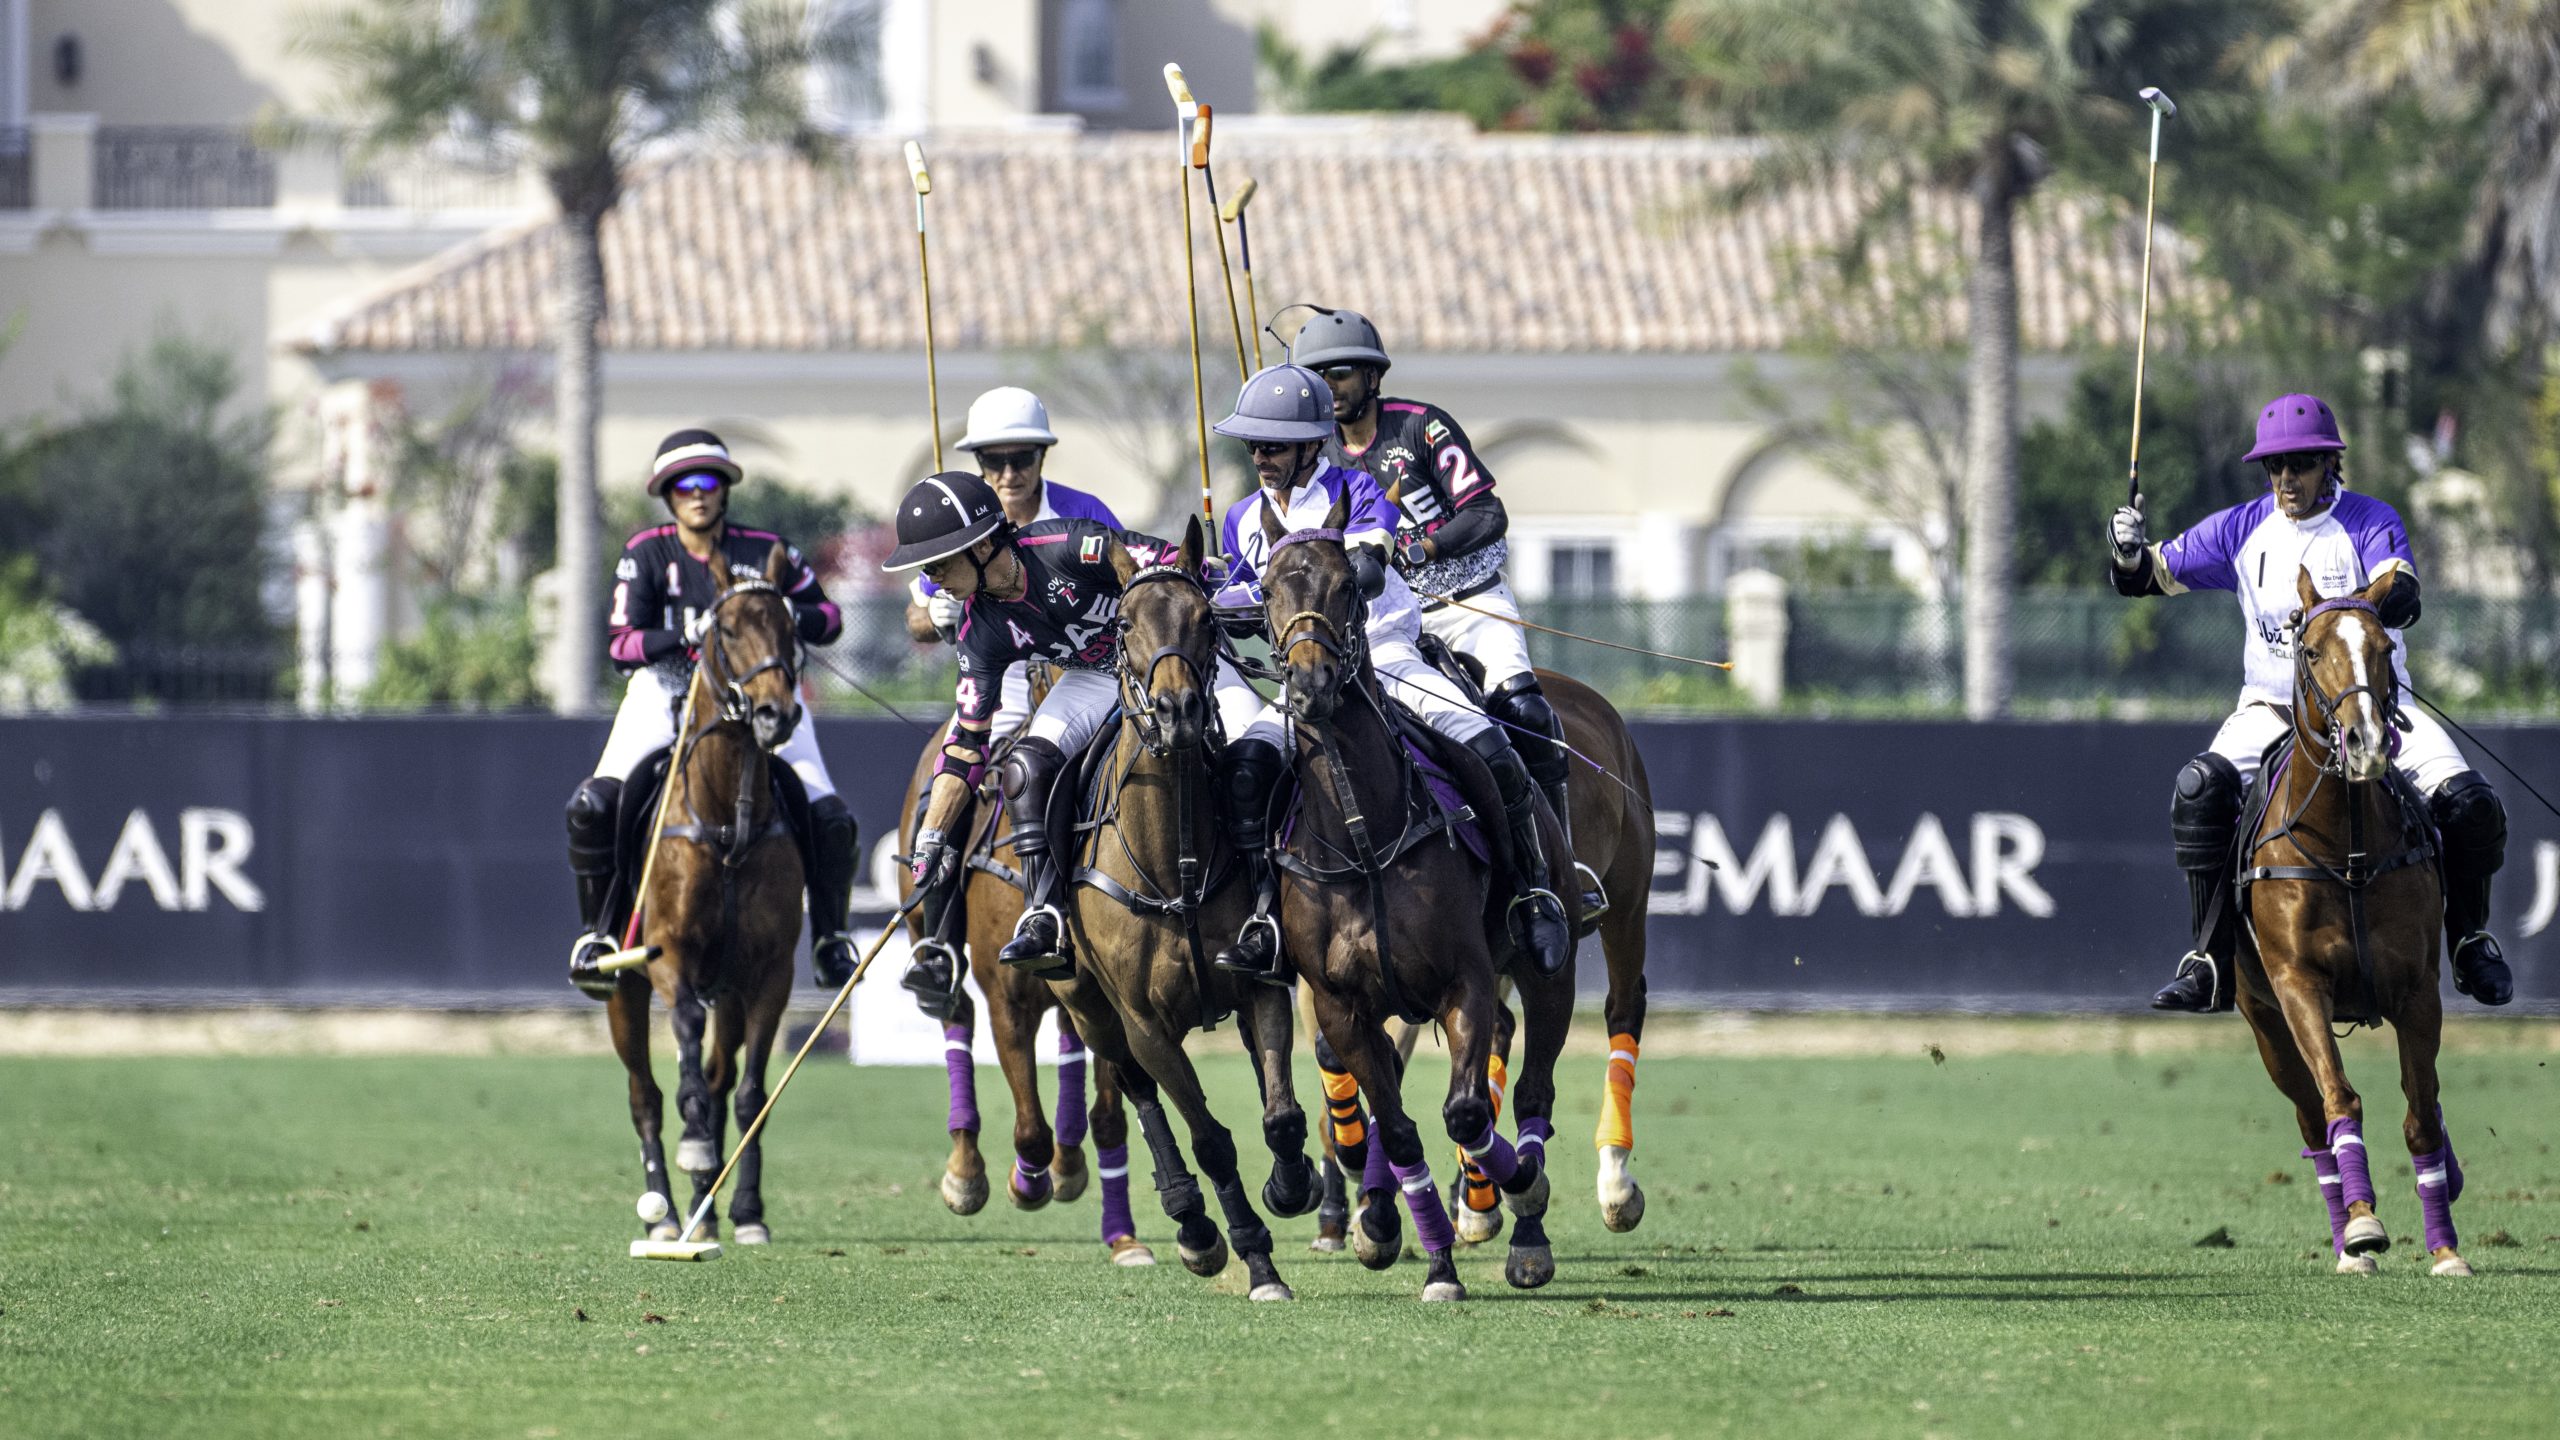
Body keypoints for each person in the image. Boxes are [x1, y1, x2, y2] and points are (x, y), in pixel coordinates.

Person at [2109, 393, 2511, 1013]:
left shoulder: (2369, 519)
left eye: (2299, 464)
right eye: (2274, 467)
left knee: (2472, 804)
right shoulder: (2243, 529)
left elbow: (2401, 583)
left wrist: (2389, 595)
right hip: (2272, 710)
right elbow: (2148, 577)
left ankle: (2468, 941)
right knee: (2199, 793)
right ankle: (2210, 958)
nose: (2285, 479)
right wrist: (2129, 549)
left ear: (2329, 464)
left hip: (2374, 708)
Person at [1206, 363, 1572, 984]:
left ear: (1310, 444)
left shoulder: (1361, 490)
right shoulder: (1243, 519)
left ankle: (1532, 888)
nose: (1260, 455)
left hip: (1385, 659)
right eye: (1253, 444)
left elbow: (1370, 565)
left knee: (1491, 745)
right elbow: (1242, 603)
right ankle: (1266, 915)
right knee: (1246, 772)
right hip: (1301, 680)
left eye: (1272, 443)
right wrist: (1218, 597)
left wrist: (1316, 570)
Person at [1296, 308, 1602, 917]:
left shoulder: (1421, 428)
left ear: (1373, 378)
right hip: (1380, 623)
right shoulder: (1313, 458)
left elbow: (1487, 514)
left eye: (1343, 374)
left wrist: (1419, 545)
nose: (1332, 387)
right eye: (1319, 376)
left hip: (1467, 603)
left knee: (1521, 708)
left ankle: (1557, 867)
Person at [563, 430, 859, 998]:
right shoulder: (646, 553)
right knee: (594, 804)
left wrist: (783, 615)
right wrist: (683, 634)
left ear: (724, 491)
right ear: (668, 495)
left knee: (831, 816)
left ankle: (830, 938)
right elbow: (622, 644)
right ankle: (598, 934)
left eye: (708, 483)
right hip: (668, 692)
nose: (697, 494)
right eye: (683, 485)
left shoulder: (766, 549)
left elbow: (830, 615)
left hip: (762, 699)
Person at [883, 471, 1208, 978]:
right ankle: (1045, 913)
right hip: (1092, 676)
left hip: (1167, 663)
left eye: (940, 562)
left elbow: (1175, 572)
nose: (933, 577)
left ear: (984, 544)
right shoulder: (979, 629)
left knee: (1254, 747)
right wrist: (930, 838)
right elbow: (967, 744)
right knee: (1025, 767)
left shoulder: (1069, 544)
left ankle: (1258, 901)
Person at [897, 388, 1123, 1008]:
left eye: (1020, 459)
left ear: (1041, 458)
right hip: (1006, 675)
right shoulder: (956, 524)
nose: (1007, 474)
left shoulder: (1081, 511)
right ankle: (939, 943)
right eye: (993, 462)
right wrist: (940, 612)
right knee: (946, 786)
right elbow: (917, 621)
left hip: (1088, 660)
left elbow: (1135, 574)